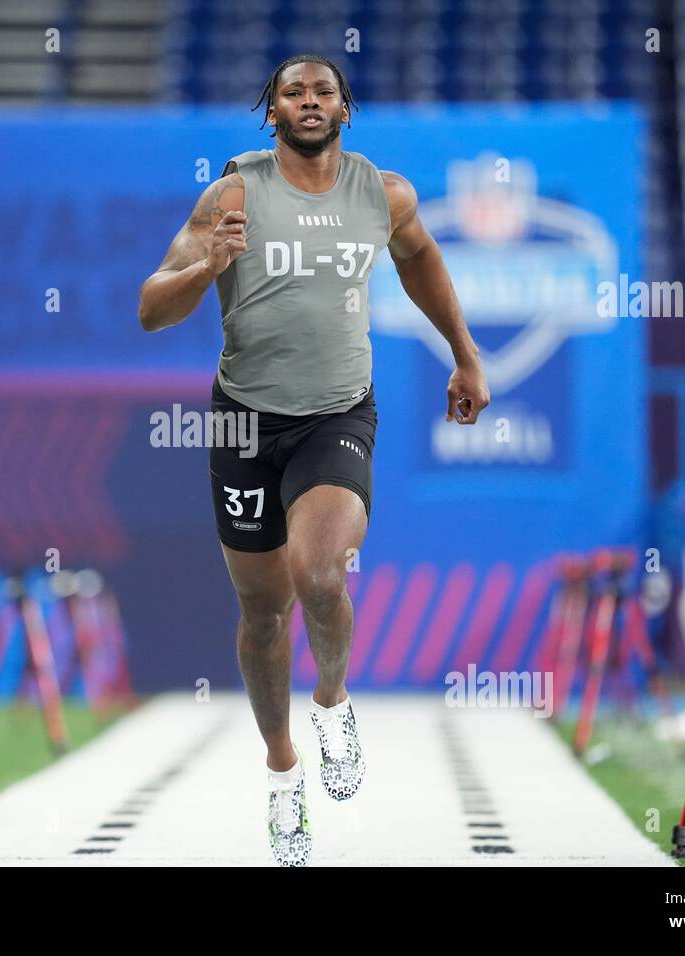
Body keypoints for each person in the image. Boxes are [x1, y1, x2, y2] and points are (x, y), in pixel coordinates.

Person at [138, 54, 489, 865]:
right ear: (273, 113)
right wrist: (206, 266)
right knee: (262, 617)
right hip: (242, 426)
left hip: (337, 414)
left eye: (321, 91)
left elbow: (422, 257)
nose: (307, 101)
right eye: (292, 92)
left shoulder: (382, 193)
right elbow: (152, 308)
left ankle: (332, 705)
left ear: (344, 108)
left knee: (321, 575)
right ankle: (283, 775)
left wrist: (465, 355)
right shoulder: (232, 195)